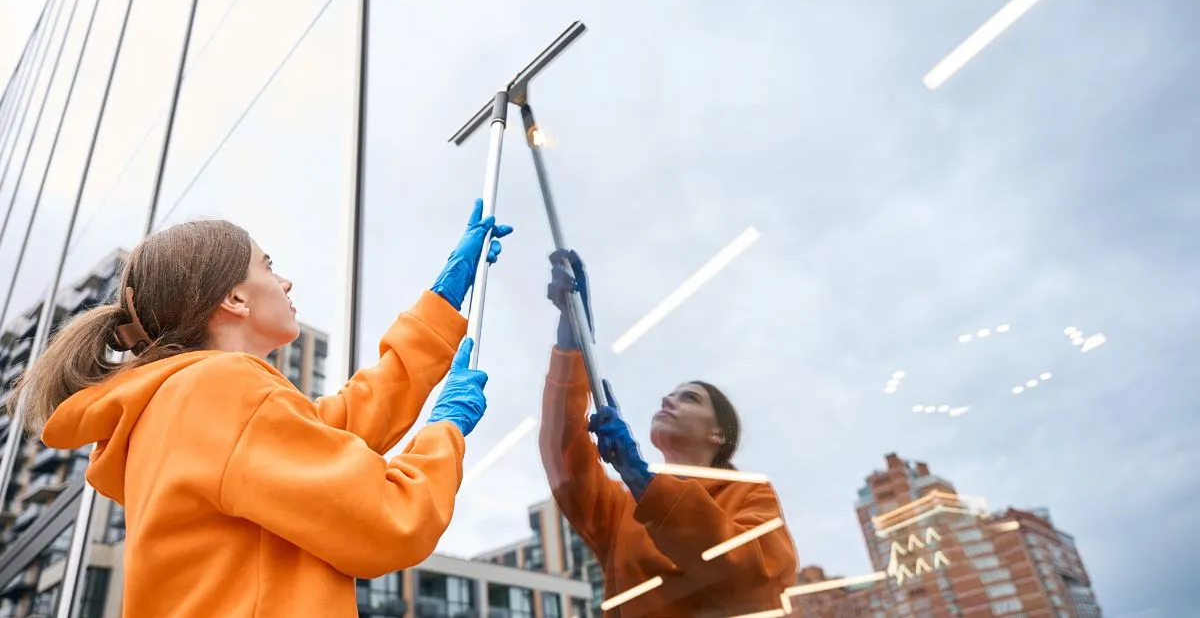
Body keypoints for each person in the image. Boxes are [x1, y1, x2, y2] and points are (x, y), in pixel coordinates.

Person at [6, 199, 513, 618]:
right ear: (235, 299)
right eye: (268, 266)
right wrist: (445, 428)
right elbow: (390, 521)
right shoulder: (220, 389)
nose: (285, 282)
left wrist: (442, 302)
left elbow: (334, 431)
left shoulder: (176, 403)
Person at [540, 250, 798, 617]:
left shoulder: (750, 495)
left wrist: (641, 478)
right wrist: (573, 343)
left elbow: (751, 575)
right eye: (671, 395)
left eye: (689, 398)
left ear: (719, 434)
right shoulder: (621, 509)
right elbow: (563, 455)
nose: (667, 399)